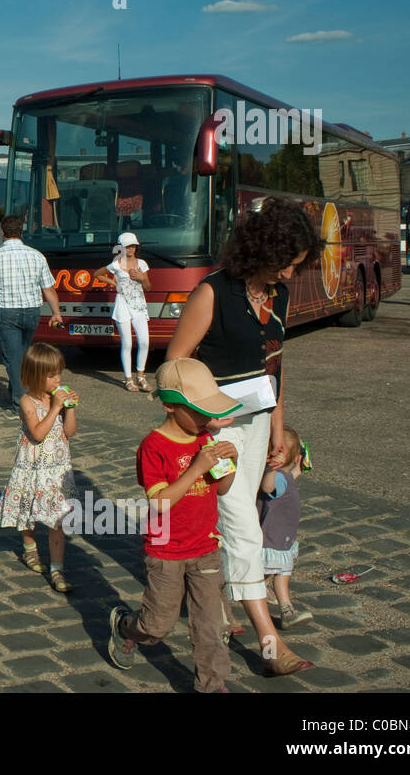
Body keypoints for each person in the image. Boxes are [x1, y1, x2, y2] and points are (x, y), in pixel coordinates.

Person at [166, 196, 322, 676]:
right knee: (242, 523)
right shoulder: (212, 293)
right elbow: (173, 369)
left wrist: (277, 428)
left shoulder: (280, 296)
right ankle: (268, 640)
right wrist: (206, 419)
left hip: (258, 422)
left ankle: (220, 600)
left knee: (235, 518)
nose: (292, 275)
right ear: (264, 251)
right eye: (288, 264)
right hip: (215, 428)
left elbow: (275, 366)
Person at [107, 357, 241, 693]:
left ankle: (212, 684)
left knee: (212, 626)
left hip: (207, 546)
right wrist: (196, 468)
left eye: (209, 413)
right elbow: (160, 502)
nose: (207, 420)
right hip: (166, 550)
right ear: (170, 406)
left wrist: (231, 463)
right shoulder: (153, 447)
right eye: (198, 412)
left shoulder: (204, 439)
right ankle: (126, 628)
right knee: (157, 626)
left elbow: (222, 488)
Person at [0, 343, 78, 593]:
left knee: (57, 519)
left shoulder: (57, 400)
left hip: (56, 471)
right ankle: (30, 548)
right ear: (35, 376)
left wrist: (69, 410)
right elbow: (38, 433)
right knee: (27, 510)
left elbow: (69, 432)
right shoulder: (27, 402)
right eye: (51, 376)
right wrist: (56, 408)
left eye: (59, 373)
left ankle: (57, 568)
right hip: (31, 468)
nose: (58, 380)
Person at [0, 215, 67, 415]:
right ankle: (16, 390)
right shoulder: (36, 255)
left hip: (8, 312)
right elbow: (48, 288)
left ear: (3, 233)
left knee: (13, 359)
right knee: (23, 356)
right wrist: (56, 313)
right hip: (32, 312)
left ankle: (20, 403)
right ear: (21, 232)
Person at [260, 425, 312, 628]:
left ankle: (284, 606)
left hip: (282, 538)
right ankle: (285, 609)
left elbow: (294, 474)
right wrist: (272, 470)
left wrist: (301, 459)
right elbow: (268, 488)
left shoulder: (285, 476)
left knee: (279, 573)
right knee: (277, 576)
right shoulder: (276, 478)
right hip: (273, 539)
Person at [95, 232, 152, 391]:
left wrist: (142, 278)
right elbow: (97, 274)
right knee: (127, 343)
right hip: (122, 305)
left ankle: (140, 376)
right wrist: (114, 285)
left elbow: (148, 287)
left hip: (139, 304)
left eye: (133, 246)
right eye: (127, 246)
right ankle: (128, 379)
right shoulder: (116, 264)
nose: (131, 249)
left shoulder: (142, 264)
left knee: (144, 341)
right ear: (121, 248)